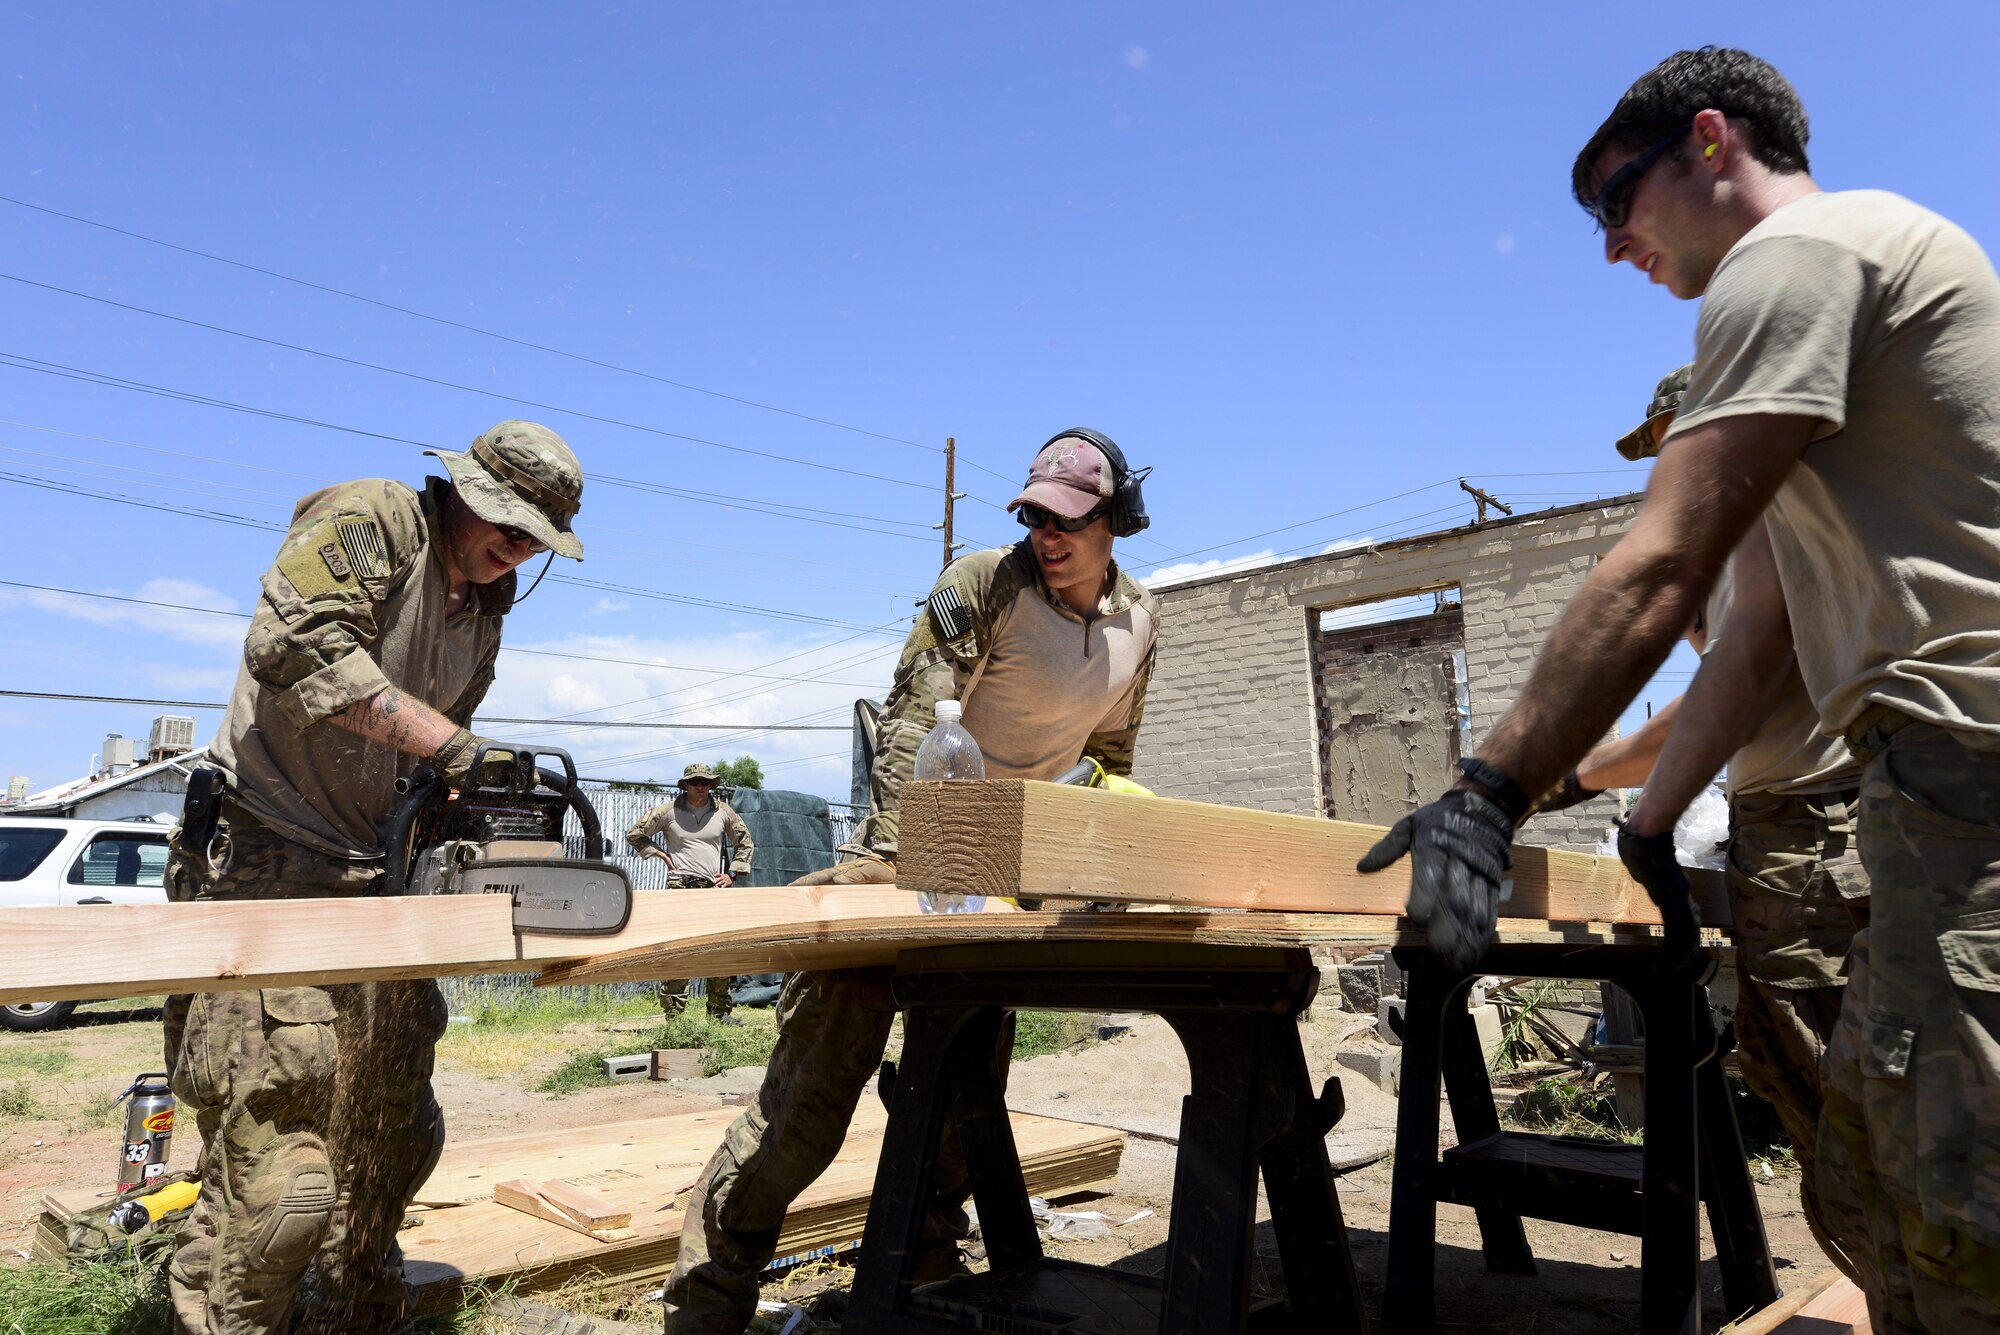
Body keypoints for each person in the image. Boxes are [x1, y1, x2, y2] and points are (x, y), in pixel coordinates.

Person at [1360, 47, 2000, 1331]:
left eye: (1613, 198)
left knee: (1960, 1217)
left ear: (1710, 142)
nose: (1608, 246)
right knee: (1870, 1176)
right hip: (1920, 782)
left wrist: (1487, 792)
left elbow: (1662, 566)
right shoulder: (1852, 295)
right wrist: (1646, 827)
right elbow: (1752, 638)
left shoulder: (1795, 257)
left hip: (1965, 772)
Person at [663, 428, 1161, 1333]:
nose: (1047, 535)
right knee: (804, 1117)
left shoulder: (1142, 622)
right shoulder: (982, 582)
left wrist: (1097, 854)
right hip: (912, 861)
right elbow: (909, 725)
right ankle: (708, 1301)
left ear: (1116, 520)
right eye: (1035, 517)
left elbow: (1108, 759)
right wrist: (905, 869)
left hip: (1006, 887)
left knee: (959, 1116)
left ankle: (926, 1291)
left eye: (1068, 521)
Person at [163, 421, 586, 1334]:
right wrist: (460, 750)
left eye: (532, 538)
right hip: (268, 859)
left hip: (374, 873)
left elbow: (432, 755)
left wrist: (455, 797)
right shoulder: (379, 519)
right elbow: (295, 645)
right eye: (506, 523)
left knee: (395, 1128)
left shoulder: (490, 603)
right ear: (462, 491)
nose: (514, 548)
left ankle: (358, 1309)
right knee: (282, 1169)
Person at [1536, 366, 1868, 1280]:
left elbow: (1728, 696)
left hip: (1816, 832)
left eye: (1671, 443)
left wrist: (1565, 780)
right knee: (1788, 1065)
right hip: (1793, 826)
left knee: (1852, 1106)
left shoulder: (1774, 513)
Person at [627, 762, 756, 1022]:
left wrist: (732, 874)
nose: (700, 787)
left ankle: (719, 1014)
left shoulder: (723, 812)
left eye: (705, 782)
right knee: (679, 950)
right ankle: (674, 1016)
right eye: (695, 782)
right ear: (685, 785)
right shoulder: (668, 811)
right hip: (679, 887)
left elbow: (745, 841)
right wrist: (659, 854)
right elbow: (635, 834)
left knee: (718, 948)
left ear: (711, 785)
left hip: (712, 888)